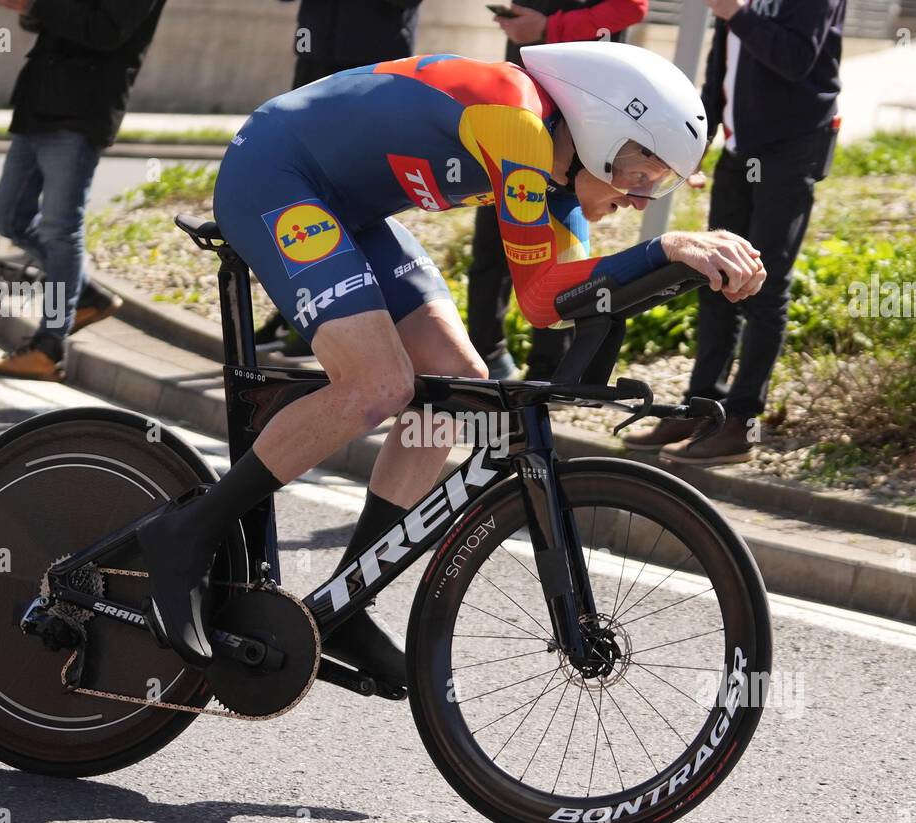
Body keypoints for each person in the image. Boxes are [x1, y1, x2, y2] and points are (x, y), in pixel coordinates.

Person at [138, 44, 765, 693]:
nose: (641, 199)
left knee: (457, 395)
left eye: (659, 184)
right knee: (380, 384)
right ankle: (187, 535)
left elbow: (559, 304)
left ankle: (349, 601)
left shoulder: (556, 177)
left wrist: (674, 272)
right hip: (276, 174)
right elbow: (541, 293)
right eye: (646, 172)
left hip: (348, 208)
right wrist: (665, 248)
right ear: (606, 131)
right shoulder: (518, 125)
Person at [624, 0, 844, 463]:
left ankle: (742, 423)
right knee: (715, 275)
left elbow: (796, 57)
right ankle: (703, 408)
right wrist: (696, 138)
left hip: (792, 148)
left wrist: (737, 12)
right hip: (739, 147)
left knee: (765, 283)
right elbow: (720, 64)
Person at [0, 0, 167, 382]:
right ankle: (85, 295)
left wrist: (35, 4)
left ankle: (48, 349)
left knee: (59, 229)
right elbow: (43, 23)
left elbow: (105, 31)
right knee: (8, 218)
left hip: (83, 109)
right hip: (37, 100)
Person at [470, 0, 650, 381]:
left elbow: (631, 7)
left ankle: (551, 375)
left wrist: (549, 27)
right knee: (492, 247)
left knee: (560, 257)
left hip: (581, 120)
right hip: (520, 104)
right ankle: (484, 361)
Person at [257, 0, 425, 359]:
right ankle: (297, 312)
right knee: (301, 187)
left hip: (369, 66)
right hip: (317, 53)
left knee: (358, 193)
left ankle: (343, 319)